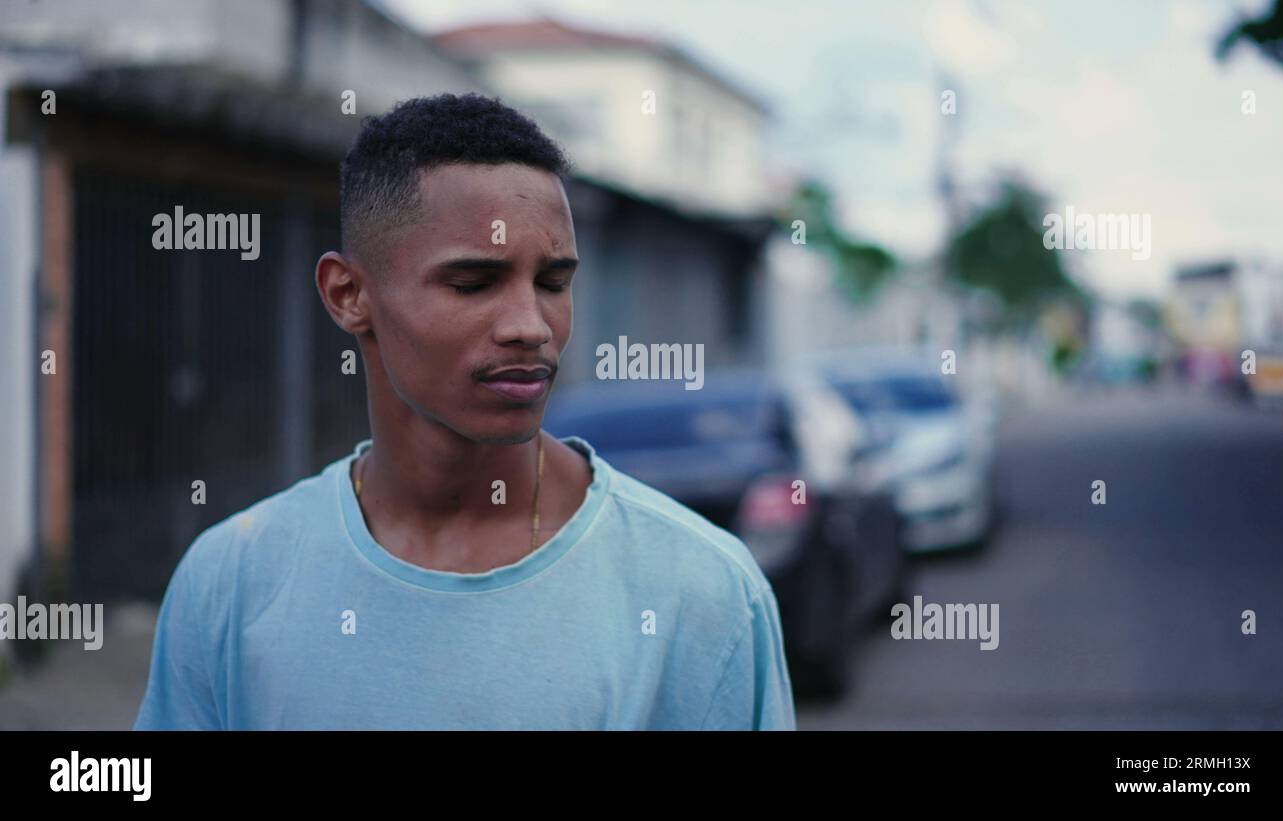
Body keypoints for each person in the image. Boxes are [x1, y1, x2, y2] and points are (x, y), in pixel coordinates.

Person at [133, 93, 796, 730]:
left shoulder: (700, 592)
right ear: (348, 294)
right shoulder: (232, 582)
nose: (530, 325)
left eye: (553, 283)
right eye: (474, 283)